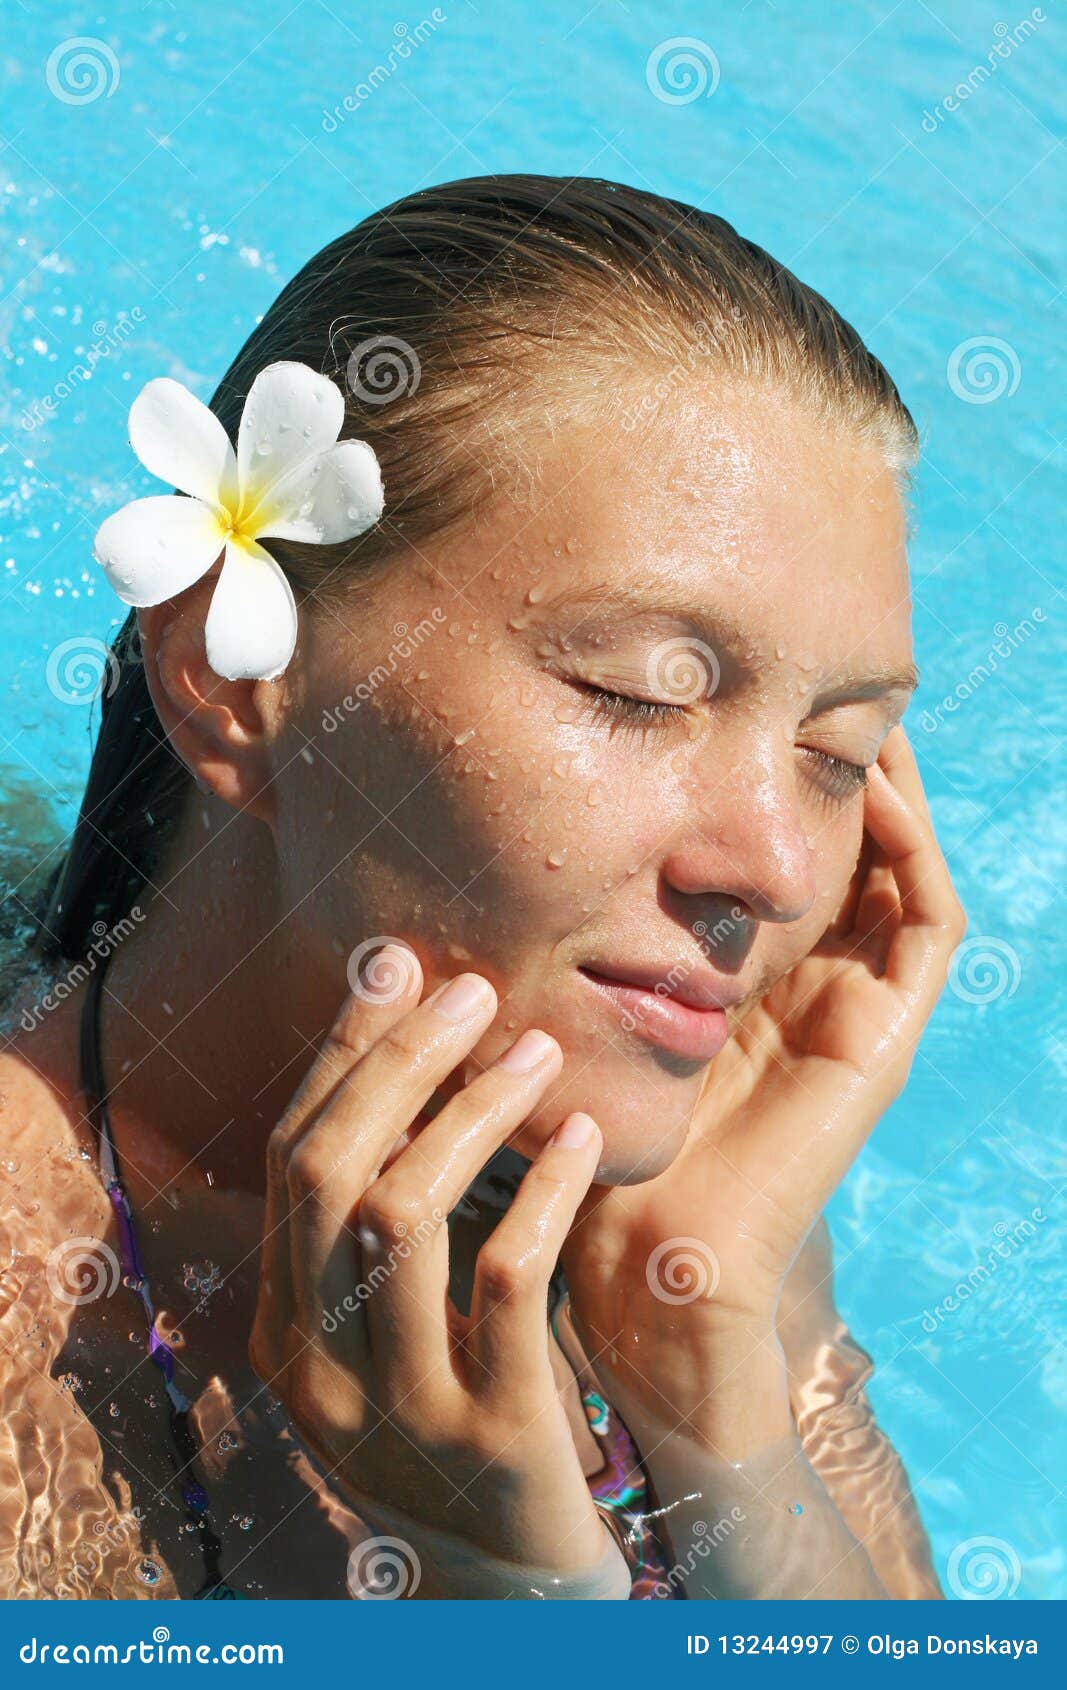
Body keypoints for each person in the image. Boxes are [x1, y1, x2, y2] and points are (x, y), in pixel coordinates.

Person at [0, 174, 964, 1600]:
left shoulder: (645, 1192)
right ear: (230, 677)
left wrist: (710, 1378)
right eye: (640, 692)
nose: (771, 867)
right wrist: (499, 1593)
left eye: (838, 754)